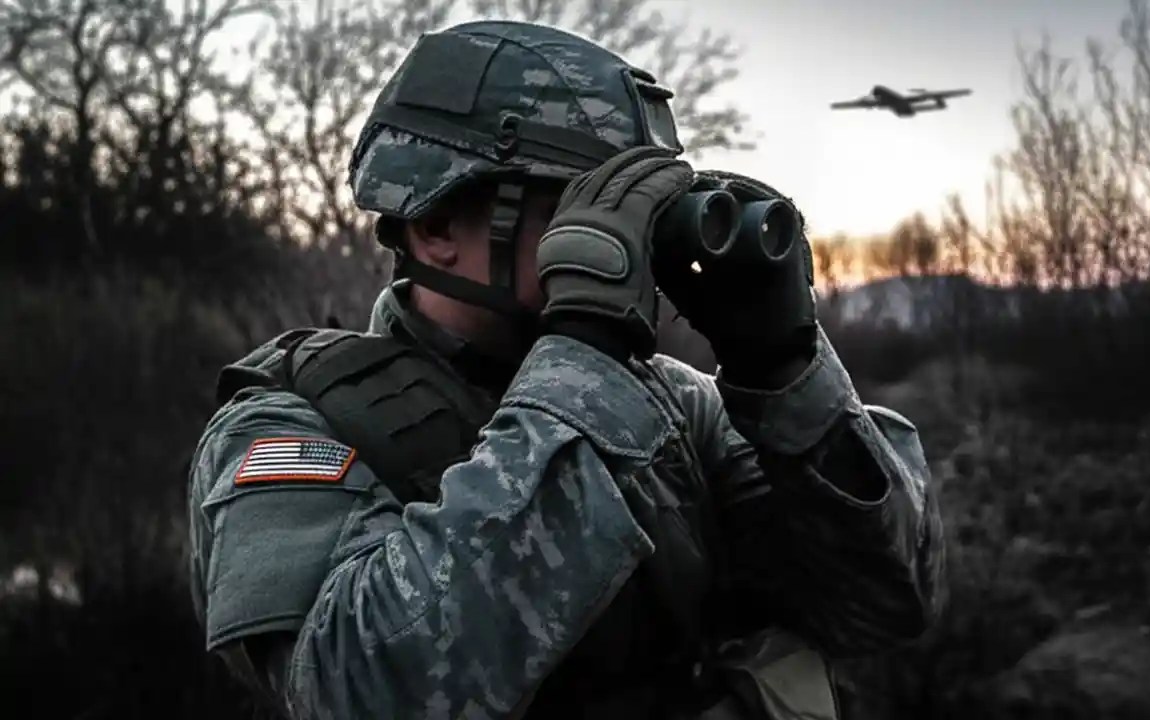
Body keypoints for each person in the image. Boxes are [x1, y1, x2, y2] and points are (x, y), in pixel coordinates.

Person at [187, 20, 946, 720]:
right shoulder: (291, 423)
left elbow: (882, 605)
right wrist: (584, 349)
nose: (635, 238)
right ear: (436, 223)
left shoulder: (673, 406)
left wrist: (782, 369)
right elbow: (355, 692)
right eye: (593, 203)